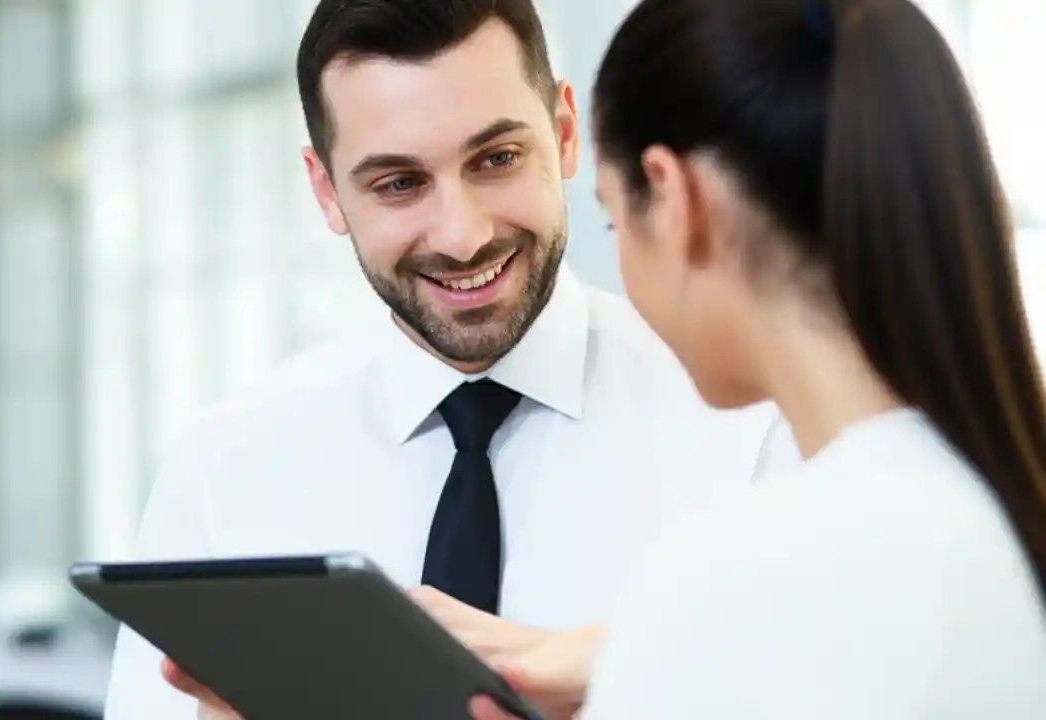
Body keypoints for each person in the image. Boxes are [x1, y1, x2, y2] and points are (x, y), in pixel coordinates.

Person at [103, 1, 797, 717]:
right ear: (326, 191)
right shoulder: (222, 473)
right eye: (399, 183)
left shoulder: (755, 431)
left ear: (563, 134)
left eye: (496, 159)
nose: (463, 237)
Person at [466, 0, 1046, 718]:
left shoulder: (734, 573)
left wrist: (664, 651)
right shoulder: (992, 503)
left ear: (676, 200)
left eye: (615, 216)